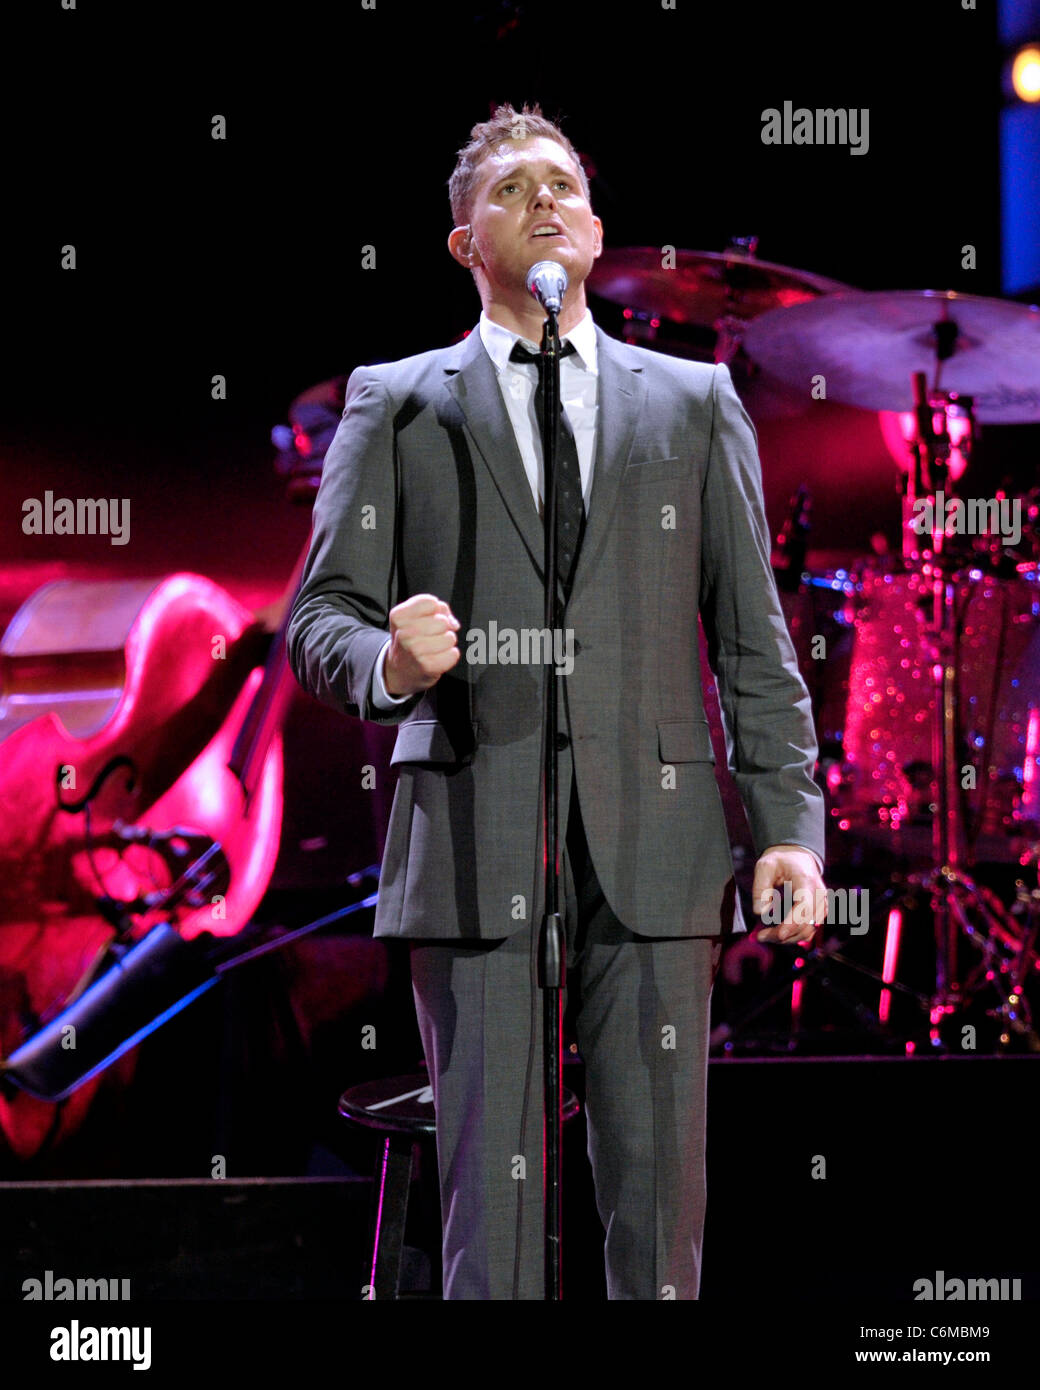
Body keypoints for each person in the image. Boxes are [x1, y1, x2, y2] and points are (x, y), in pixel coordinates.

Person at [286, 102, 827, 1300]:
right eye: (510, 187)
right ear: (462, 243)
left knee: (656, 1219)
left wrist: (786, 826)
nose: (543, 199)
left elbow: (751, 641)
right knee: (496, 1222)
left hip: (659, 845)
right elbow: (314, 618)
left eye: (563, 185)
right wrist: (387, 660)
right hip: (474, 842)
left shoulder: (691, 403)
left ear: (591, 230)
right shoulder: (398, 401)